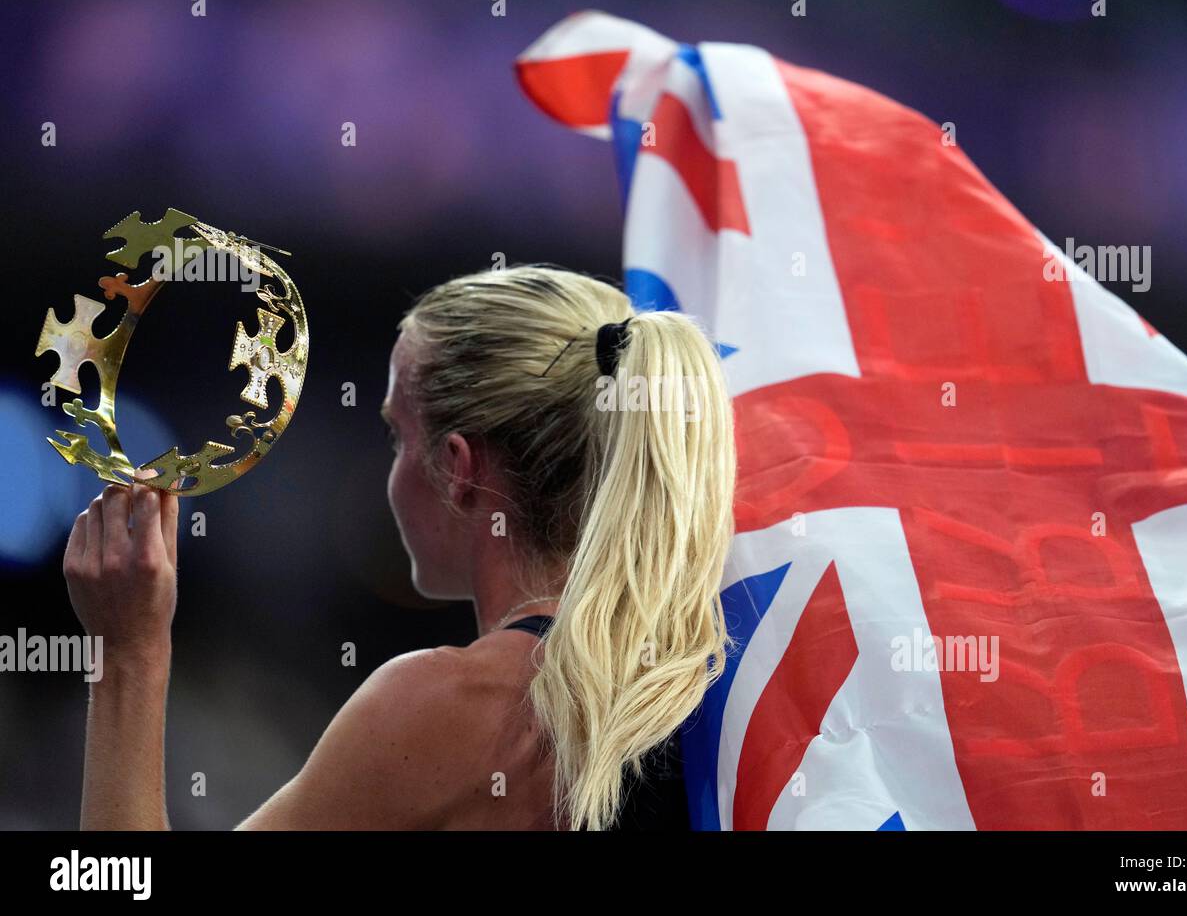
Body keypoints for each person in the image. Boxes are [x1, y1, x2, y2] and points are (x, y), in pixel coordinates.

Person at [64, 265, 737, 830]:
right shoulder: (711, 685)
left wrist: (128, 654)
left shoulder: (450, 707)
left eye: (397, 436)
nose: (390, 473)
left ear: (459, 465)